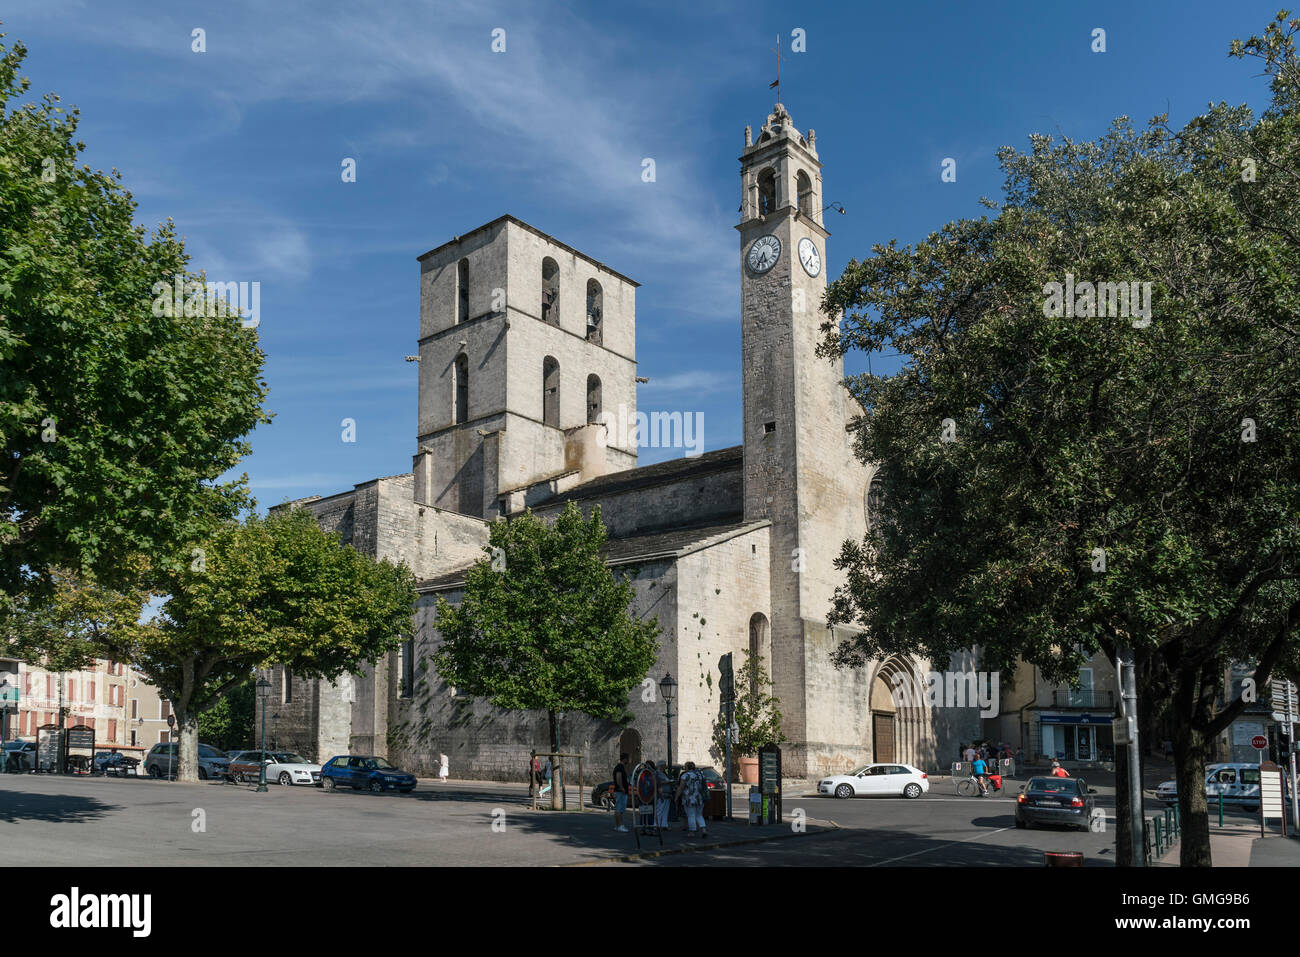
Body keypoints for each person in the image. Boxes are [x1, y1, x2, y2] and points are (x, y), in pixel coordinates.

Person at [676, 761, 707, 838]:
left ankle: (692, 832)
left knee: (691, 815)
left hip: (688, 798)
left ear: (687, 767)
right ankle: (703, 830)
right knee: (699, 815)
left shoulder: (685, 775)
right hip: (699, 798)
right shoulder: (700, 775)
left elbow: (681, 787)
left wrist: (676, 797)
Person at [612, 753, 630, 832]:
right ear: (625, 759)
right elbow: (618, 777)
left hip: (620, 791)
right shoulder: (619, 767)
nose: (629, 760)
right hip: (620, 791)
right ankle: (620, 826)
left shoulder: (620, 767)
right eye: (629, 759)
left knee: (618, 809)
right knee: (620, 809)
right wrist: (622, 788)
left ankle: (617, 825)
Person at [653, 760, 672, 832]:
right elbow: (656, 783)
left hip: (667, 794)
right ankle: (655, 825)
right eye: (664, 765)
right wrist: (666, 782)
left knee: (665, 810)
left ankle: (664, 825)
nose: (665, 766)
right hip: (661, 794)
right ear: (661, 766)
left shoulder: (663, 773)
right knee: (659, 810)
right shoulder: (656, 773)